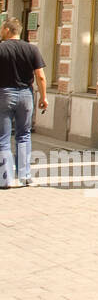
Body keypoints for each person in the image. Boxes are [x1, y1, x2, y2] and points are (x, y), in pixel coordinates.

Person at [0, 17, 47, 188]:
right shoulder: (31, 49)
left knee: (3, 138)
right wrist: (43, 97)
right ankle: (25, 175)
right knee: (24, 135)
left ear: (7, 30)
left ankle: (4, 179)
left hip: (4, 94)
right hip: (26, 95)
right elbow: (40, 76)